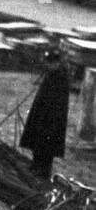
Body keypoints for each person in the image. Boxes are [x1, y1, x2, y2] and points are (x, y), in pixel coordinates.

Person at [20, 50, 72, 178]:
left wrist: (48, 114)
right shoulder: (51, 73)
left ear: (57, 63)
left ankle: (43, 170)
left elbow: (58, 101)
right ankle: (35, 164)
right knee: (36, 140)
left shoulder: (61, 77)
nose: (48, 65)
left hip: (51, 118)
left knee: (47, 145)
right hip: (41, 113)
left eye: (50, 63)